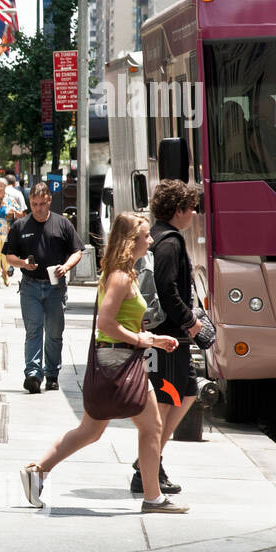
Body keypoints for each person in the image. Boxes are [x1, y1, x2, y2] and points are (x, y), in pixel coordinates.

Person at [20, 212, 188, 514]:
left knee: (92, 430)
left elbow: (119, 322)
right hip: (119, 359)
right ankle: (153, 498)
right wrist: (142, 341)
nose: (151, 241)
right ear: (131, 241)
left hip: (119, 357)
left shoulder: (123, 273)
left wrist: (152, 340)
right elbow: (107, 323)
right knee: (150, 427)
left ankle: (38, 471)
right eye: (145, 236)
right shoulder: (121, 277)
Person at [134, 179, 205, 496]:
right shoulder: (169, 242)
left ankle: (148, 460)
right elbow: (167, 290)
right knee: (165, 402)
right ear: (179, 210)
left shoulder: (162, 237)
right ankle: (146, 468)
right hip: (168, 338)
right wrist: (190, 321)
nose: (195, 214)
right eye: (192, 208)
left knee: (188, 392)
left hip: (173, 338)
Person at [3, 182, 84, 393]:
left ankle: (52, 374)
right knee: (34, 330)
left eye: (42, 204)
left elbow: (77, 251)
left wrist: (66, 267)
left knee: (55, 333)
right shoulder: (20, 225)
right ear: (30, 202)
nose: (38, 208)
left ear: (49, 201)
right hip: (30, 286)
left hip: (55, 287)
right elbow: (9, 256)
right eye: (34, 204)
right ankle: (32, 374)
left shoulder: (62, 224)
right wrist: (23, 263)